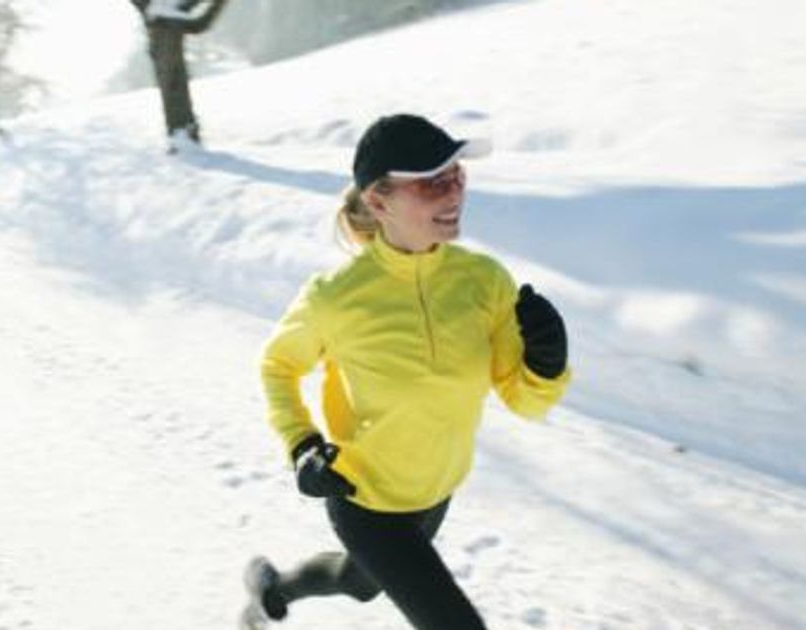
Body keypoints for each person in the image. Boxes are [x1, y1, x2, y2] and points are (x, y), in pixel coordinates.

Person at [242, 114, 572, 630]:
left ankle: (272, 591)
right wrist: (302, 444)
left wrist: (546, 364)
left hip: (435, 490)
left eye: (457, 174)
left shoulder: (484, 281)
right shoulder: (337, 296)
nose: (453, 191)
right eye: (431, 181)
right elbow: (277, 364)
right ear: (378, 201)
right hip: (364, 498)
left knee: (359, 584)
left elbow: (527, 402)